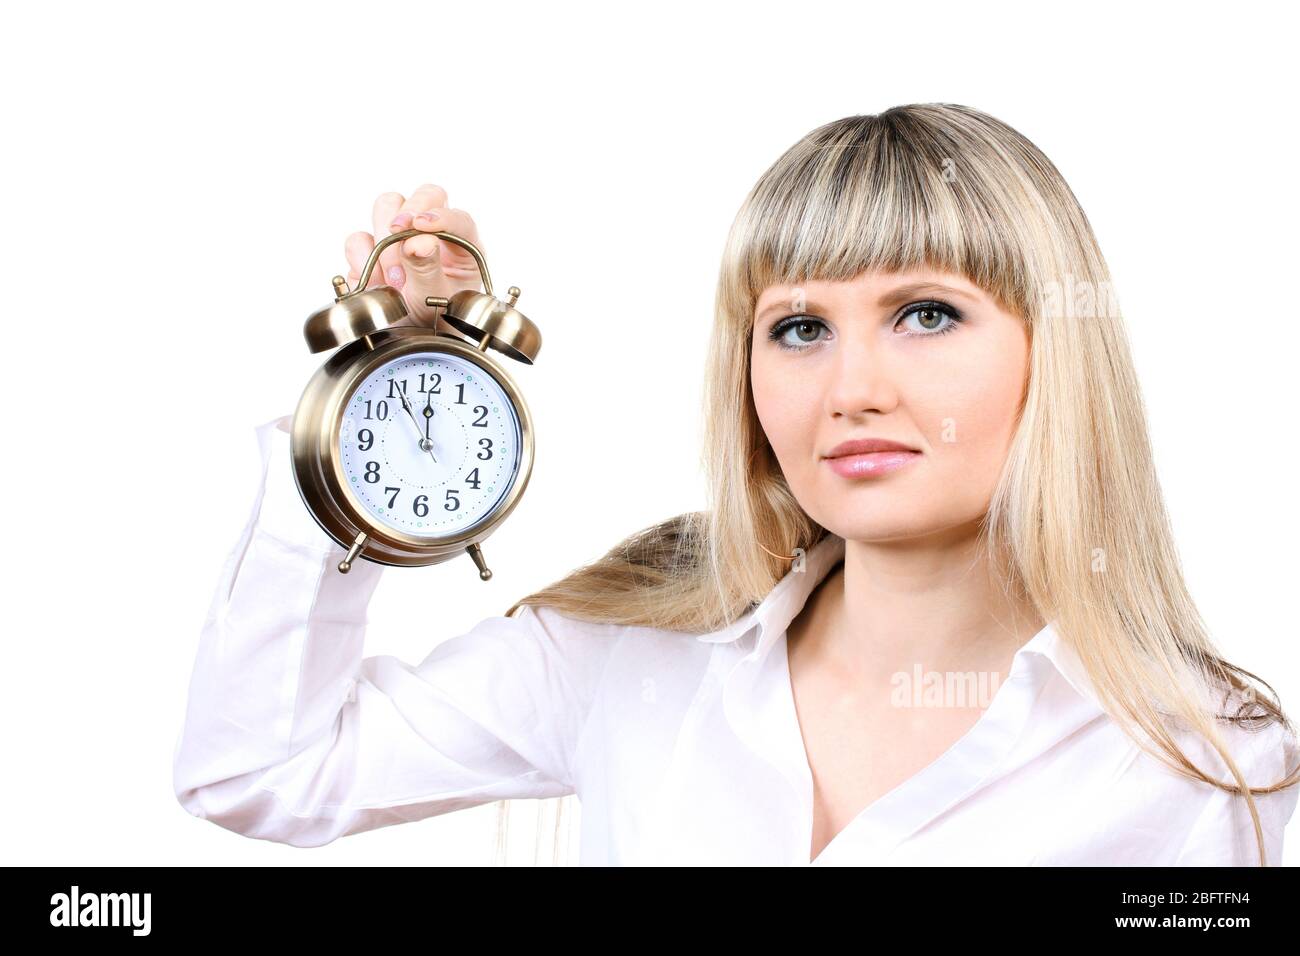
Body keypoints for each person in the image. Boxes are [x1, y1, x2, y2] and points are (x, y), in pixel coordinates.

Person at [172, 104, 1299, 865]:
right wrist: (377, 395)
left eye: (925, 313)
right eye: (799, 326)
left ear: (1055, 349)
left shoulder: (1209, 761)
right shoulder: (627, 650)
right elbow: (261, 769)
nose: (850, 388)